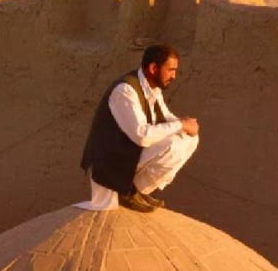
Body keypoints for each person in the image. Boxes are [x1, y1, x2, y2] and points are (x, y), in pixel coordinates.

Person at [79, 44, 200, 213]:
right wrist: (180, 125)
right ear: (153, 68)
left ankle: (134, 191)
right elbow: (141, 136)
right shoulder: (125, 90)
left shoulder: (152, 88)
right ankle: (125, 190)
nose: (174, 76)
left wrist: (185, 124)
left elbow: (164, 116)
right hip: (110, 160)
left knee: (189, 139)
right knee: (172, 144)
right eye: (170, 70)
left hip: (129, 152)